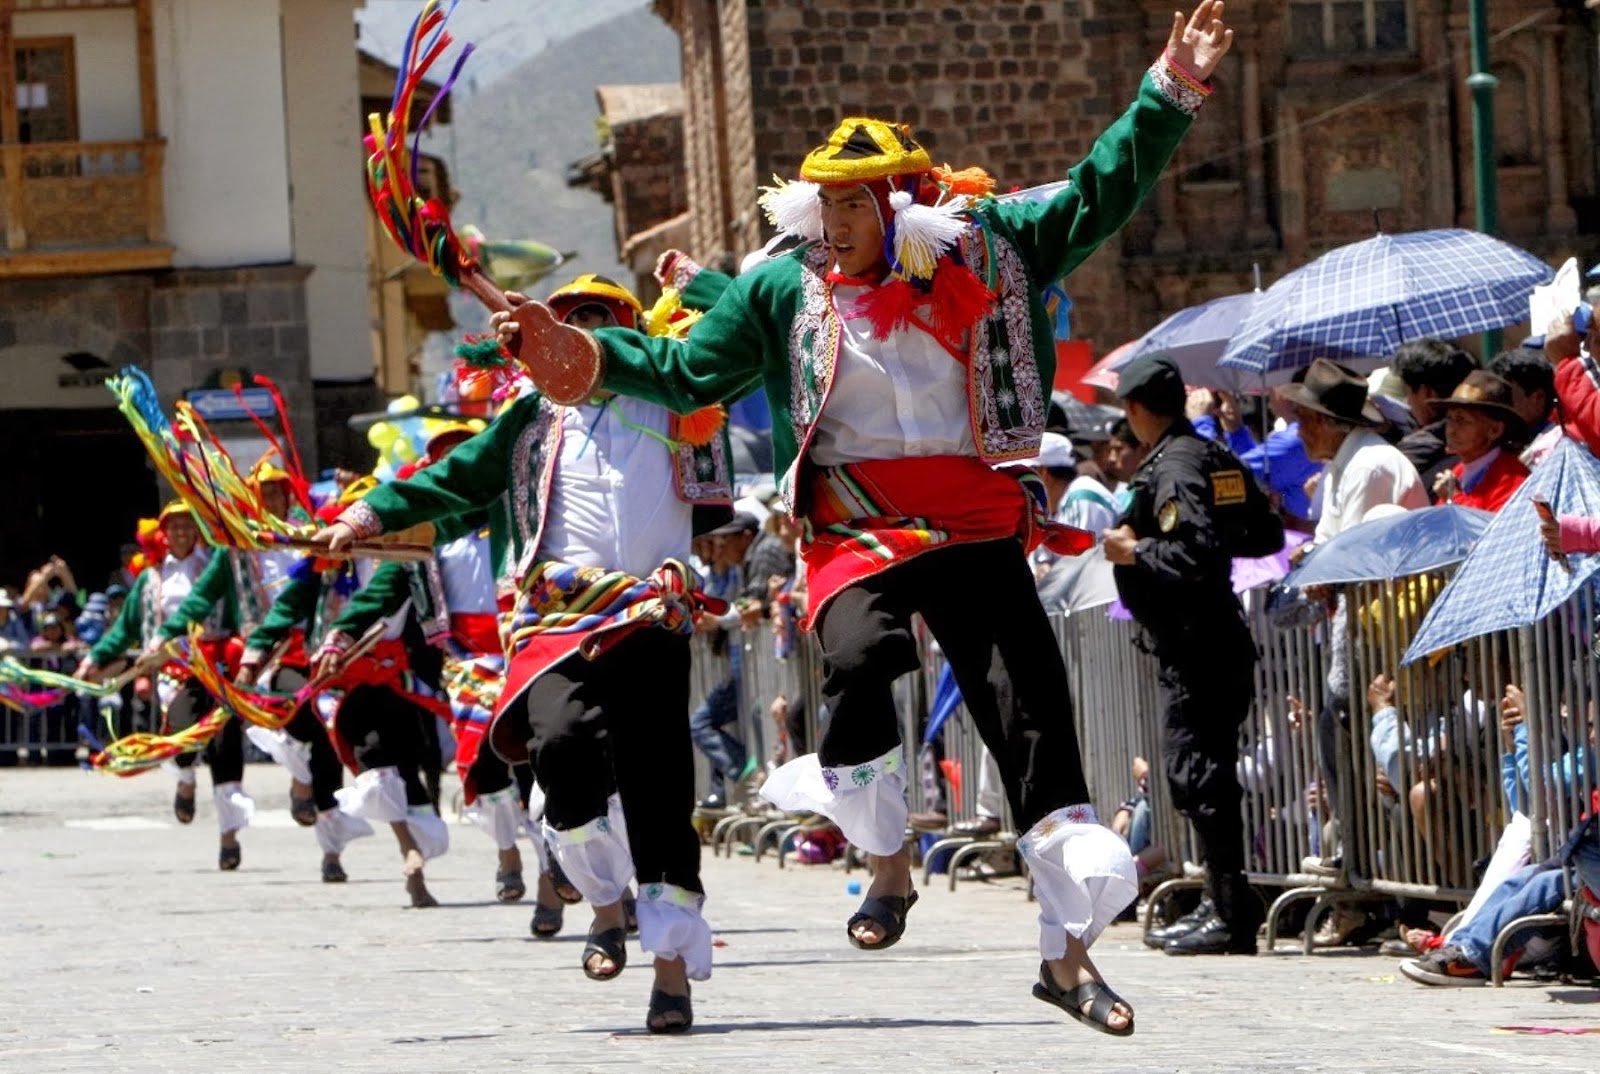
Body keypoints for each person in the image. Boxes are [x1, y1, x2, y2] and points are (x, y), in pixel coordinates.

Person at [489, 4, 1236, 1036]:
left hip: (976, 523)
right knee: (862, 660)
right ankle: (886, 862)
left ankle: (1066, 963)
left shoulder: (994, 248)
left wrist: (1171, 87)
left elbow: (1103, 189)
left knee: (1036, 731)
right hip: (858, 529)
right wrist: (577, 358)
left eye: (853, 205)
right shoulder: (781, 292)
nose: (834, 224)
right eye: (824, 205)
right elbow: (681, 368)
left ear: (899, 202)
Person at [317, 273, 735, 1034]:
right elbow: (449, 481)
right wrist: (365, 513)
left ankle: (671, 970)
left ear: (631, 336)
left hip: (649, 612)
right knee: (562, 746)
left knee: (656, 786)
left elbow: (738, 338)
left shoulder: (681, 408)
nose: (579, 337)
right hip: (554, 619)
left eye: (599, 322)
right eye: (567, 323)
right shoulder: (529, 424)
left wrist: (705, 284)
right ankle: (605, 905)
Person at [1104, 353, 1283, 956]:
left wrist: (1135, 552)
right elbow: (1262, 532)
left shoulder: (1178, 466)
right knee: (1199, 778)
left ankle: (1230, 915)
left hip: (1197, 641)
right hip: (1208, 637)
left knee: (1199, 779)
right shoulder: (1207, 456)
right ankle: (1222, 902)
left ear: (1134, 410)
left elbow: (1194, 554)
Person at [78, 501, 255, 870]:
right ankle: (185, 778)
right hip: (174, 668)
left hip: (218, 663)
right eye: (174, 526)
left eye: (188, 525)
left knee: (225, 747)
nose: (181, 532)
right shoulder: (151, 578)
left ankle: (229, 838)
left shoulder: (218, 565)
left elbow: (243, 611)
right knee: (180, 735)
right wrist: (95, 659)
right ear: (162, 532)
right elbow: (125, 627)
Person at [1430, 370, 1530, 512]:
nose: (1451, 429)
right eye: (1450, 419)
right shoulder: (1458, 471)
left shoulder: (1514, 480)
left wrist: (1455, 499)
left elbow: (1494, 529)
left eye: (1462, 420)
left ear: (1494, 430)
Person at [1391, 340, 1477, 496]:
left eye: (1409, 392)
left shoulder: (1408, 456)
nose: (1407, 401)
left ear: (1427, 393)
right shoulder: (1482, 443)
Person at [1488, 349, 1561, 468]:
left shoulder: (1555, 449)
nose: (1497, 406)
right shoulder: (1497, 444)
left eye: (1504, 397)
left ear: (1538, 398)